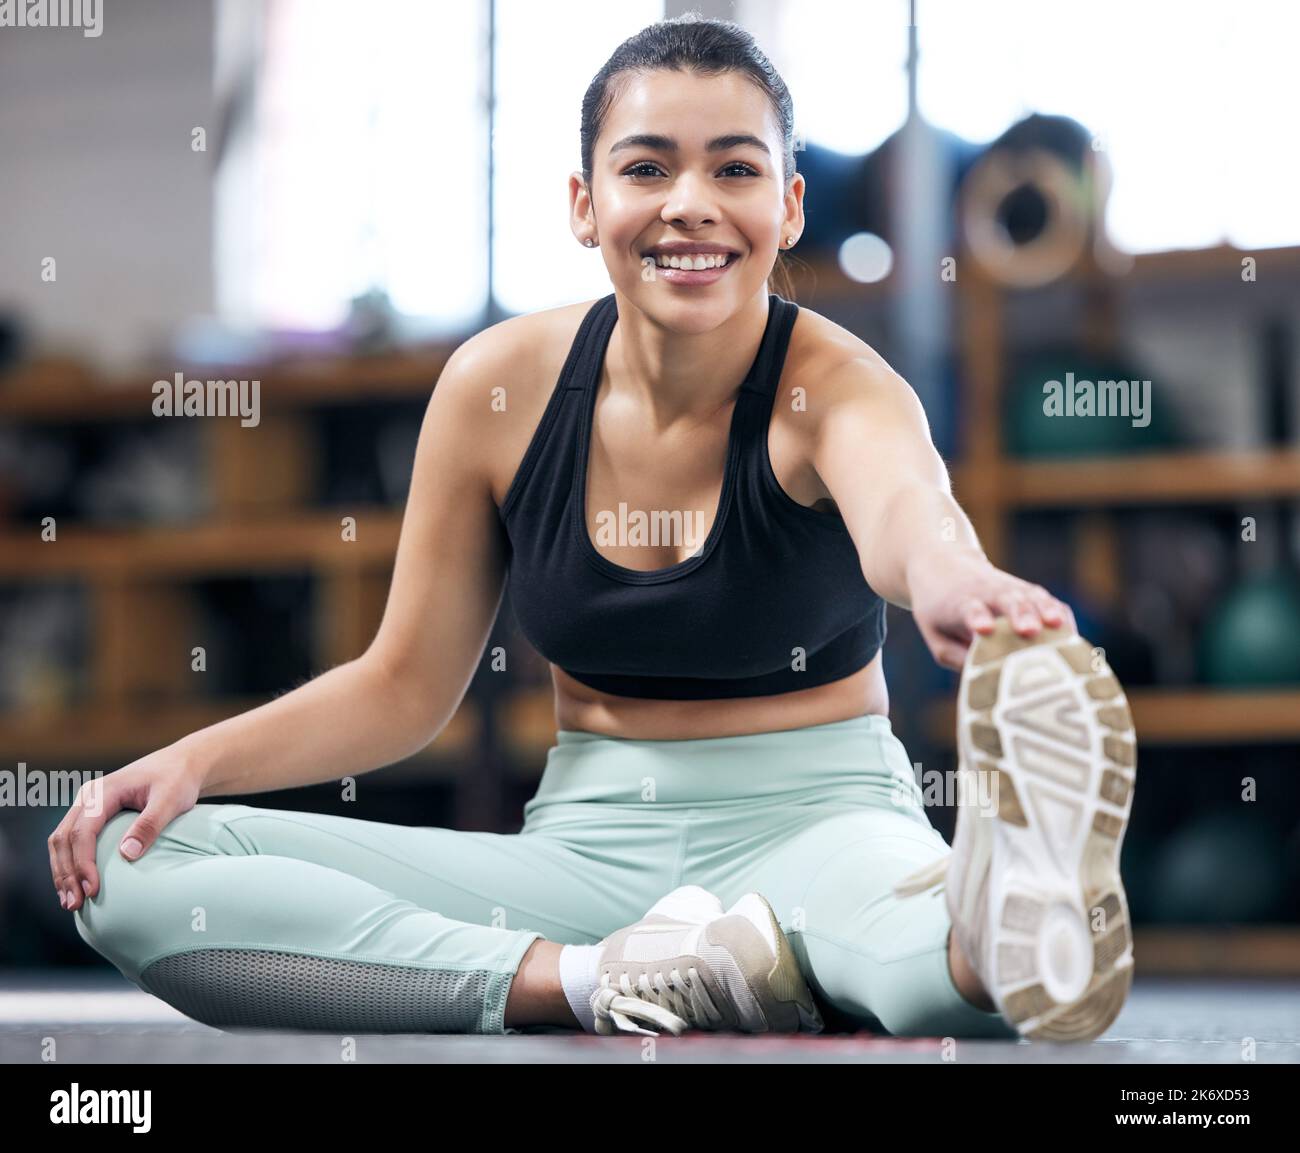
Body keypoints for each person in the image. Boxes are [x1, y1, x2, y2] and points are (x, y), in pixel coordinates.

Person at [50, 13, 1134, 1041]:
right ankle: (604, 981)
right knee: (133, 867)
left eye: (736, 169)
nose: (691, 204)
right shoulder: (496, 389)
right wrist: (193, 761)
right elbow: (401, 688)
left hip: (820, 828)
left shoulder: (839, 387)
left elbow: (909, 514)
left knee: (935, 975)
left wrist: (952, 582)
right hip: (583, 863)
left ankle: (998, 918)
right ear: (584, 202)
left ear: (791, 206)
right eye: (648, 166)